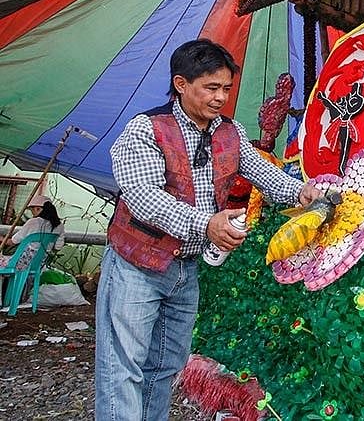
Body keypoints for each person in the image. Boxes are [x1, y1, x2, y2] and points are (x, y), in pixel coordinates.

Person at [95, 39, 321, 420]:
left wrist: (302, 190)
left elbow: (263, 173)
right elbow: (144, 198)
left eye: (227, 89)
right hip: (137, 265)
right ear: (181, 84)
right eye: (211, 88)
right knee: (123, 370)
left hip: (184, 270)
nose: (221, 98)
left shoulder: (230, 132)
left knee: (165, 367)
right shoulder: (146, 129)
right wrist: (206, 223)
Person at [0, 194, 65, 270]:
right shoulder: (59, 226)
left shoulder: (33, 222)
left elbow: (12, 242)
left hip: (19, 264)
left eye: (32, 210)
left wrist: (1, 238)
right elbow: (58, 247)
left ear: (38, 209)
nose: (32, 213)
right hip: (39, 266)